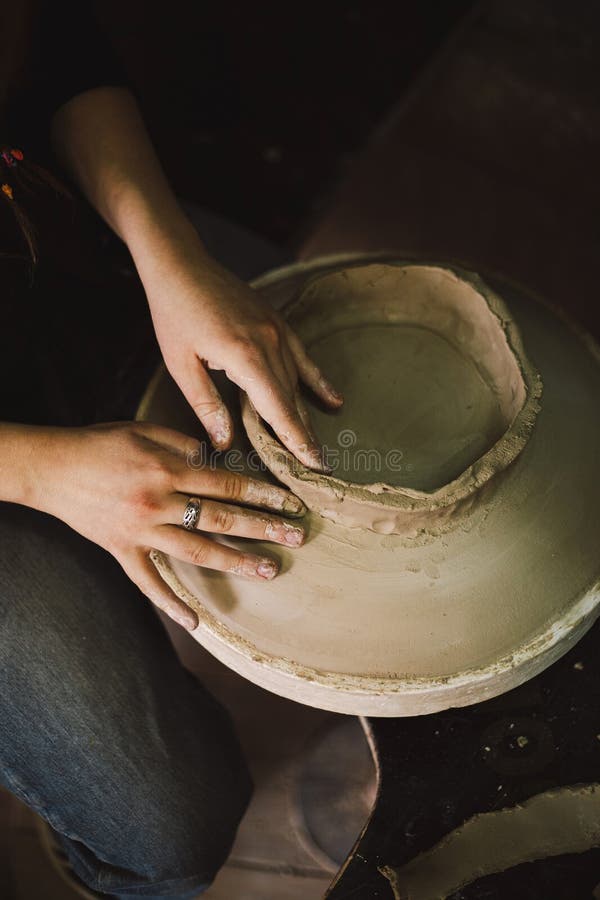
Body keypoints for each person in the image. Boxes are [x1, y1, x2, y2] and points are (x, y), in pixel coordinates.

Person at [0, 2, 342, 897]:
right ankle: (91, 857)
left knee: (332, 431)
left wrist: (169, 257)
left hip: (36, 264)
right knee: (171, 826)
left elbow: (55, 58)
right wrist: (39, 468)